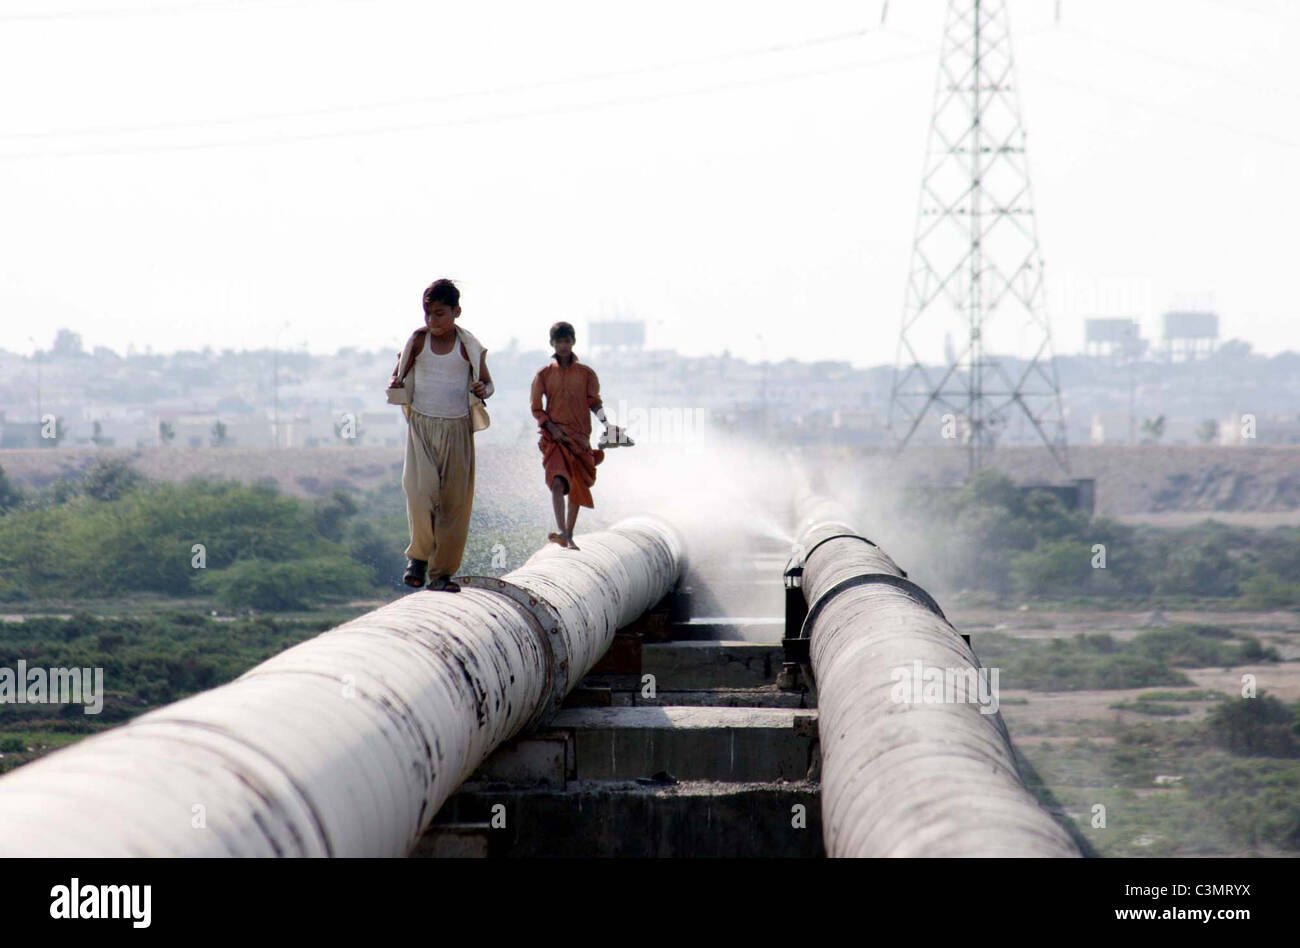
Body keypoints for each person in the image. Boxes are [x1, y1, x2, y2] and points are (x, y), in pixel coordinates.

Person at [388, 278, 493, 591]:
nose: (432, 320)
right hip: (422, 426)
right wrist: (395, 382)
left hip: (457, 428)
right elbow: (398, 373)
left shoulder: (469, 346)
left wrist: (480, 388)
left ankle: (441, 573)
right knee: (419, 493)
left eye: (439, 314)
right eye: (428, 314)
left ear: (456, 311)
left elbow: (487, 384)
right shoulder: (418, 342)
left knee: (453, 505)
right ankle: (418, 558)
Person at [529, 321, 621, 550]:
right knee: (558, 482)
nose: (563, 345)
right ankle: (561, 530)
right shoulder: (543, 375)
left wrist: (607, 424)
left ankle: (569, 534)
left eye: (567, 341)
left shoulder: (586, 374)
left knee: (577, 486)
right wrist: (552, 428)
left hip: (579, 438)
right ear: (552, 343)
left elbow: (594, 402)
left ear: (573, 342)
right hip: (555, 438)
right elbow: (536, 408)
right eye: (559, 341)